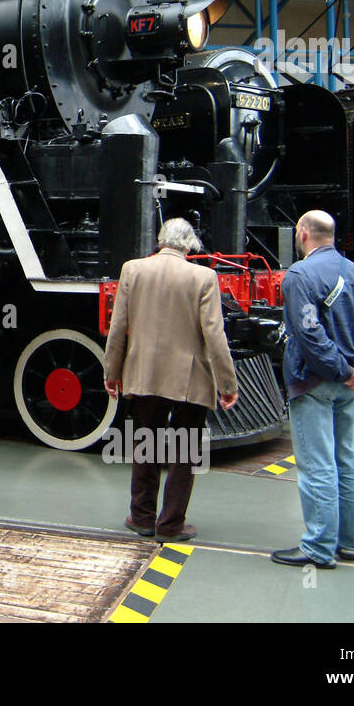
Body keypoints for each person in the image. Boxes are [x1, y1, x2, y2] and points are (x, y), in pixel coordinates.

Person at [103, 218, 238, 543]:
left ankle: (142, 516)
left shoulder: (133, 270)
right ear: (189, 245)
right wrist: (227, 384)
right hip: (189, 378)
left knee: (144, 444)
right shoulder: (204, 276)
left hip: (144, 375)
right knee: (184, 452)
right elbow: (214, 335)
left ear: (160, 240)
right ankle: (171, 525)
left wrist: (112, 372)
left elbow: (118, 325)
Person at [272, 211, 354, 569]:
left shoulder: (300, 275)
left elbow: (309, 334)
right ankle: (349, 542)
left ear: (303, 234)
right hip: (348, 386)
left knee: (317, 465)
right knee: (346, 460)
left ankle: (319, 547)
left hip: (314, 382)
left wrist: (342, 371)